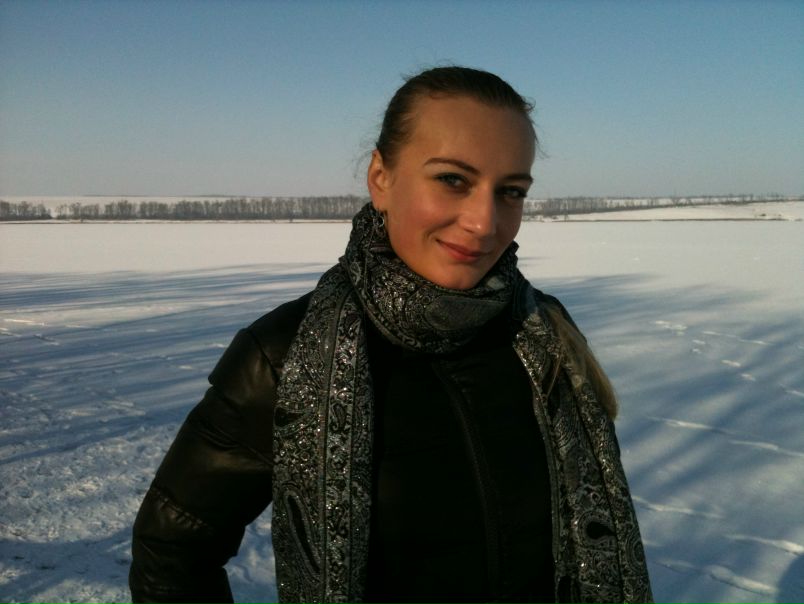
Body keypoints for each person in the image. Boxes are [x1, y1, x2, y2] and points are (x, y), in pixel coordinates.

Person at [129, 66, 653, 604]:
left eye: (511, 191)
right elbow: (173, 549)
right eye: (453, 180)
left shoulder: (544, 333)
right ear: (381, 178)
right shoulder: (287, 353)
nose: (484, 221)